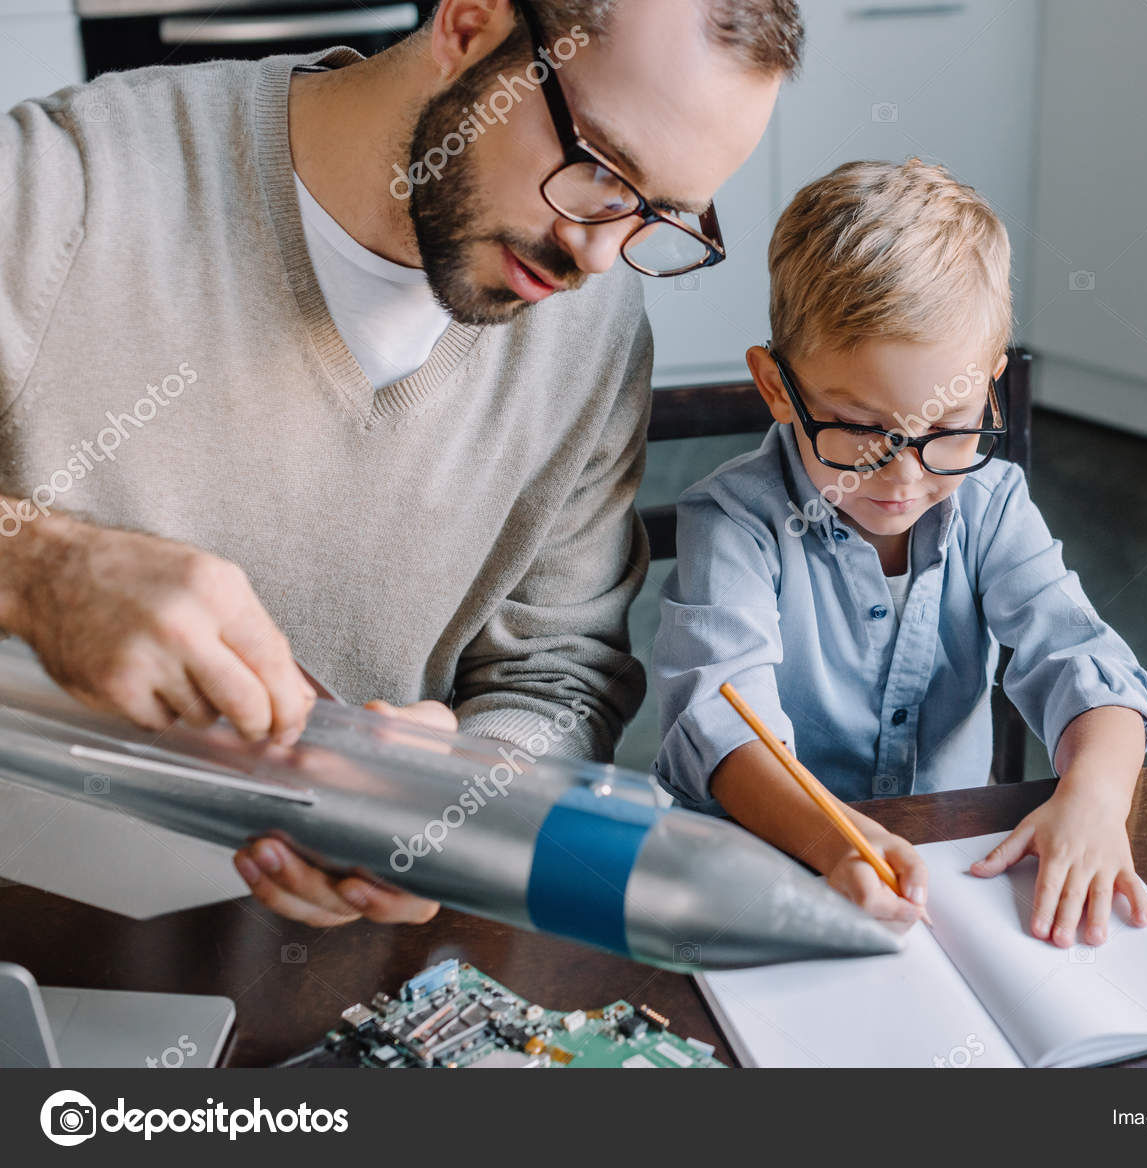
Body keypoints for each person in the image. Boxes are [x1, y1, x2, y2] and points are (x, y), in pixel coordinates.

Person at [0, 0, 802, 926]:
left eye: (661, 216)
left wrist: (465, 803)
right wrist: (42, 569)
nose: (597, 251)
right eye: (600, 170)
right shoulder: (61, 190)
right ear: (468, 24)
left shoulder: (591, 335)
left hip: (358, 978)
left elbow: (558, 673)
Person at [651, 159, 1147, 948]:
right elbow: (721, 723)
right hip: (764, 868)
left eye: (948, 428)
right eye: (859, 428)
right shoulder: (735, 523)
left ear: (991, 390)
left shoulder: (992, 505)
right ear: (778, 387)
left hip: (951, 873)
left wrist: (1092, 802)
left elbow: (1086, 667)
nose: (905, 475)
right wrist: (833, 842)